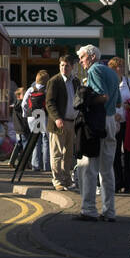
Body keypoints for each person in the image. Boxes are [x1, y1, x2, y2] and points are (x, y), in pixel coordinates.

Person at [75, 45, 120, 221]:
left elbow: (103, 96)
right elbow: (117, 101)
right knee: (107, 170)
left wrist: (84, 99)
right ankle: (109, 211)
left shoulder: (94, 70)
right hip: (110, 120)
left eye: (83, 57)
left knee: (89, 167)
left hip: (96, 123)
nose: (81, 61)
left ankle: (89, 209)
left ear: (92, 56)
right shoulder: (112, 72)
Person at [45, 55, 80, 191]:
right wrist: (57, 118)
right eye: (61, 65)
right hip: (58, 122)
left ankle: (66, 179)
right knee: (57, 153)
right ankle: (57, 180)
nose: (64, 68)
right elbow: (49, 102)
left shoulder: (75, 81)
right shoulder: (55, 81)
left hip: (72, 122)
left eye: (66, 65)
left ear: (72, 67)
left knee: (68, 153)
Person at [110, 56, 130, 193]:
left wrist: (127, 105)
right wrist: (113, 113)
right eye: (119, 66)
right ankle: (117, 183)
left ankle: (129, 184)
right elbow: (106, 101)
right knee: (115, 154)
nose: (121, 69)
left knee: (129, 153)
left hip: (128, 123)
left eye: (123, 66)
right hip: (114, 123)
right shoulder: (109, 83)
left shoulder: (128, 82)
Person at [22, 72, 50, 173]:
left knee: (35, 141)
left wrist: (25, 115)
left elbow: (23, 104)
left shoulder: (30, 90)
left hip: (32, 116)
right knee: (46, 140)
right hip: (43, 116)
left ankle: (35, 165)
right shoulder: (47, 90)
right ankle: (47, 166)